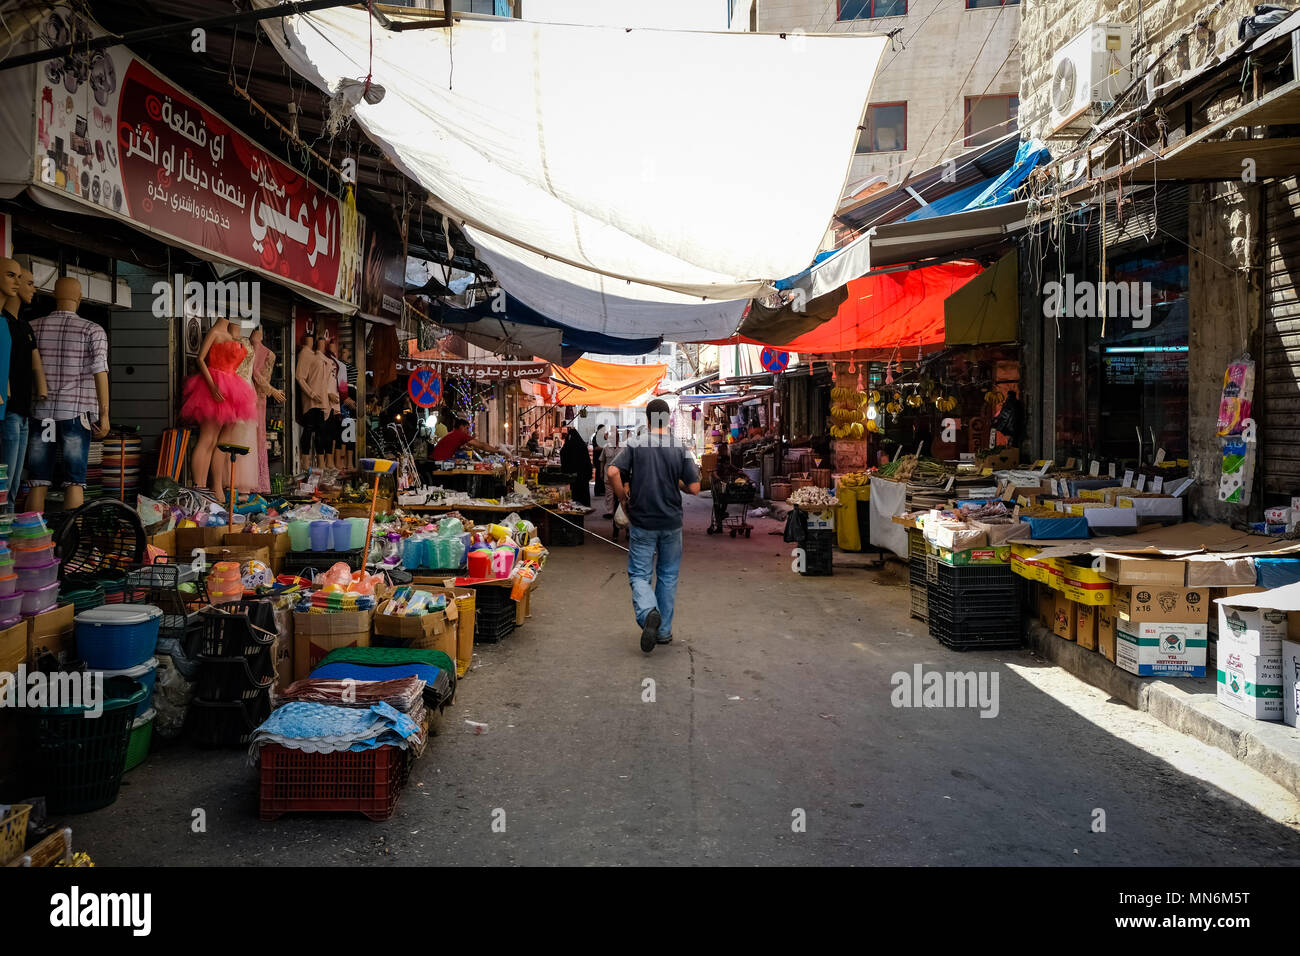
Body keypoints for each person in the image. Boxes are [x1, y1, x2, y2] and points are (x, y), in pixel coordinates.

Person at [608, 399, 701, 653]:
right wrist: (677, 483)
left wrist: (623, 499)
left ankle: (649, 612)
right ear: (668, 418)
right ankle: (663, 631)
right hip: (671, 522)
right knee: (668, 575)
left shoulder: (636, 445)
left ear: (647, 419)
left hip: (643, 522)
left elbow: (613, 472)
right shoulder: (679, 447)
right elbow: (694, 487)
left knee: (640, 574)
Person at [27, 277, 110, 513]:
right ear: (80, 298)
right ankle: (73, 541)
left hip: (41, 414)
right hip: (75, 416)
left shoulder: (33, 327)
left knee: (38, 481)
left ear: (54, 296)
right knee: (75, 481)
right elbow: (100, 372)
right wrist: (104, 415)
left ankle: (33, 543)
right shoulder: (92, 330)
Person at [432, 417, 500, 462]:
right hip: (440, 462)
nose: (468, 431)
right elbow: (481, 445)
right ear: (461, 427)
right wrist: (497, 451)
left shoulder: (453, 433)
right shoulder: (460, 434)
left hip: (437, 460)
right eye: (467, 428)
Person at [560, 425, 592, 506]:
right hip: (582, 476)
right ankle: (584, 507)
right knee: (583, 494)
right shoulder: (582, 447)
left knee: (573, 495)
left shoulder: (567, 447)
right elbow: (588, 462)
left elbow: (563, 457)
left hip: (572, 476)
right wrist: (589, 474)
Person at [592, 424, 607, 498]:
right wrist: (604, 446)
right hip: (597, 459)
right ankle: (597, 491)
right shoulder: (595, 437)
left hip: (603, 458)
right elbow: (595, 448)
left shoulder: (603, 437)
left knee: (603, 475)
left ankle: (602, 490)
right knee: (598, 475)